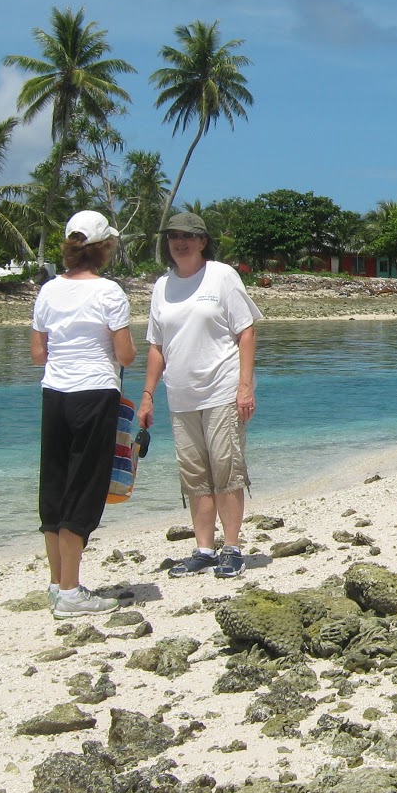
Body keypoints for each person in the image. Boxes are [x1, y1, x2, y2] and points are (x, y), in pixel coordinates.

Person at [139, 211, 261, 579]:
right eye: (174, 236)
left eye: (188, 236)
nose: (180, 242)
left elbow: (247, 332)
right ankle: (204, 549)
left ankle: (233, 548)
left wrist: (244, 387)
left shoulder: (222, 275)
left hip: (223, 390)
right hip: (180, 396)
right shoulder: (161, 286)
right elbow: (157, 346)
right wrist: (147, 395)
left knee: (227, 471)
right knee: (194, 476)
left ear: (203, 241)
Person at [31, 210, 135, 619]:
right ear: (103, 248)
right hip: (94, 393)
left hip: (54, 393)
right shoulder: (110, 293)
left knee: (54, 485)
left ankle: (58, 584)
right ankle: (72, 592)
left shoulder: (48, 291)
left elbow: (38, 353)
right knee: (85, 486)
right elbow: (125, 353)